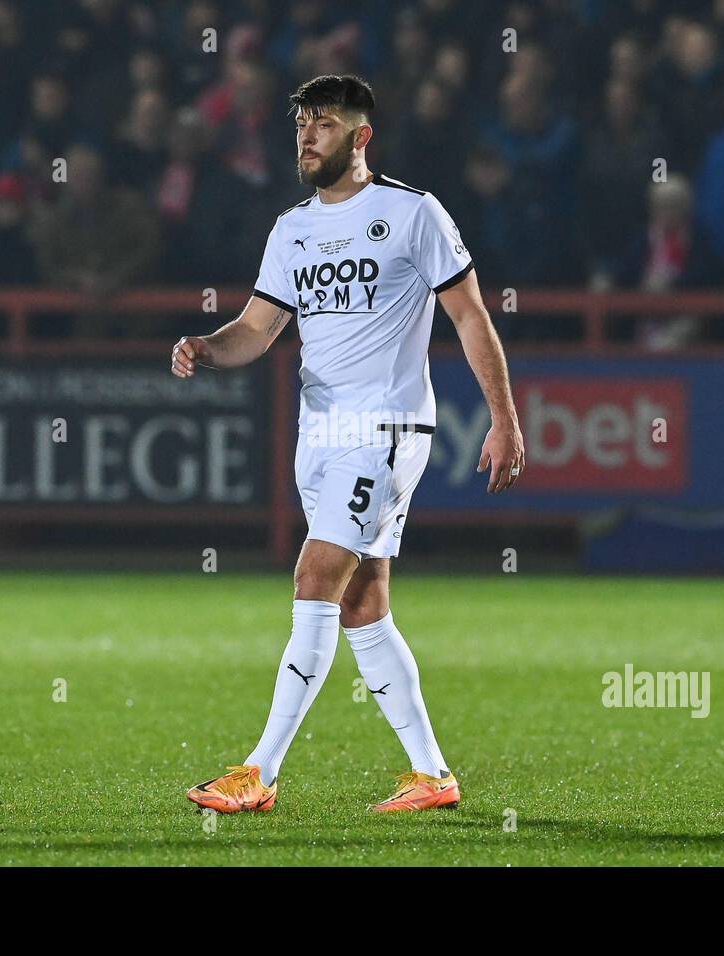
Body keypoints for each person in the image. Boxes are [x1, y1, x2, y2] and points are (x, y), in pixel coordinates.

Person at [172, 74, 524, 814]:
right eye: (302, 121)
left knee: (315, 576)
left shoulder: (412, 213)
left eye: (324, 123)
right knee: (364, 602)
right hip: (321, 434)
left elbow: (468, 317)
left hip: (386, 428)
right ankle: (433, 776)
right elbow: (258, 328)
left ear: (360, 137)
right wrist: (206, 348)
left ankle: (259, 772)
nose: (306, 135)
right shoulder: (292, 227)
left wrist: (504, 418)